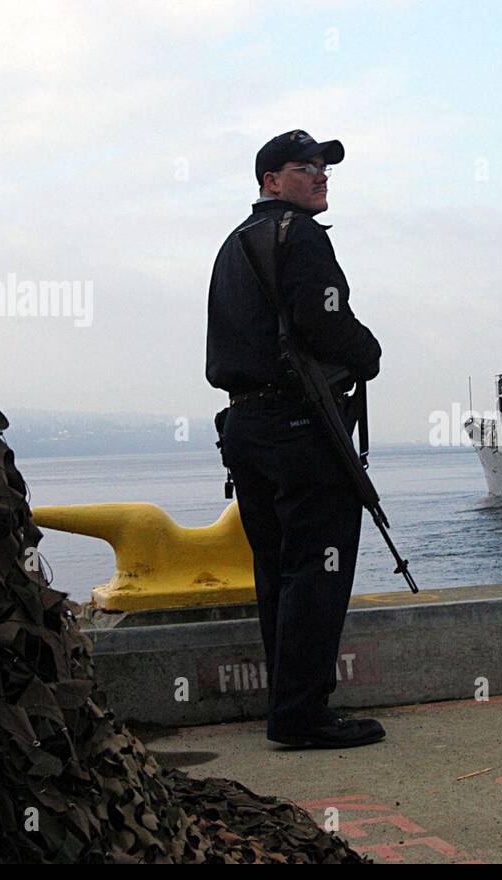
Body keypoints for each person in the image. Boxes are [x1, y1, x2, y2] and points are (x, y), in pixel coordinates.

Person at [206, 129, 386, 749]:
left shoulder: (234, 245)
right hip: (299, 426)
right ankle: (303, 714)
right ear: (271, 181)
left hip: (246, 428)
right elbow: (325, 322)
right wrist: (369, 352)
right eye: (305, 167)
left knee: (276, 566)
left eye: (324, 167)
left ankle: (288, 705)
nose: (320, 176)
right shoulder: (301, 236)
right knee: (319, 565)